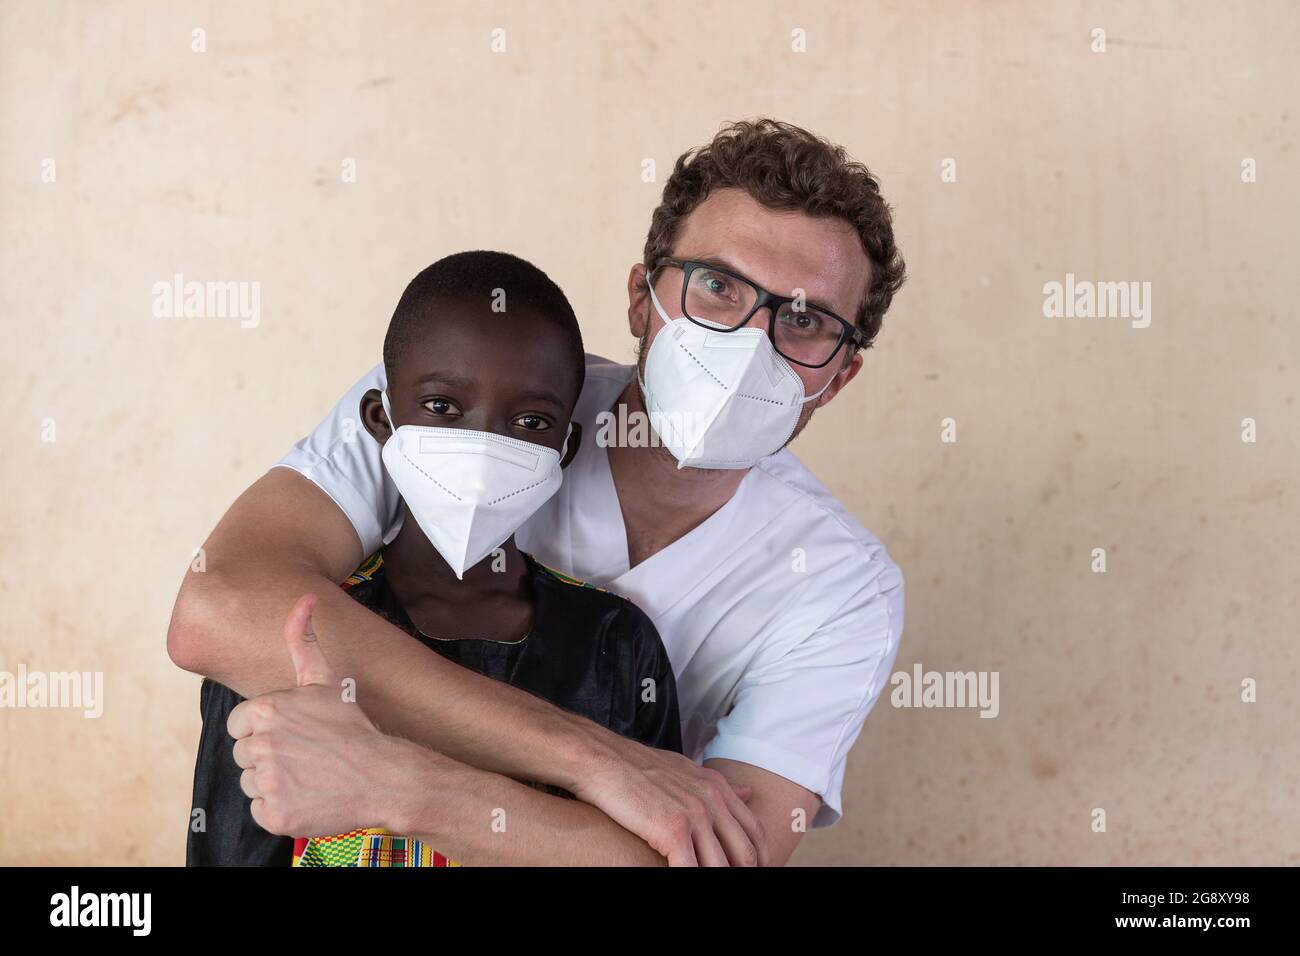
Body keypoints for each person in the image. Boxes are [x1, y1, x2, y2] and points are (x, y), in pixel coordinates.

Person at [169, 117, 908, 866]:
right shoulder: (467, 385)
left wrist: (403, 788)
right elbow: (218, 608)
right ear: (640, 298)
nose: (749, 344)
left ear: (839, 376)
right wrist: (598, 761)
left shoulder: (842, 590)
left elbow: (720, 861)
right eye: (717, 286)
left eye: (806, 319)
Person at [186, 252, 682, 867]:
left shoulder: (615, 643)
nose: (483, 446)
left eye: (530, 421)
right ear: (379, 420)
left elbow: (670, 843)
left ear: (565, 447)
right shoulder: (288, 639)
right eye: (444, 407)